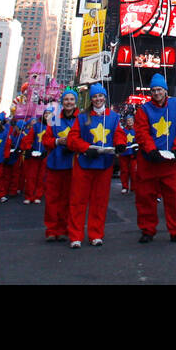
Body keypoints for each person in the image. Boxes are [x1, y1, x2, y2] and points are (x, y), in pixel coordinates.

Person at [66, 83, 126, 247]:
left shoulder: (113, 117)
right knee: (78, 200)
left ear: (105, 97)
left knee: (100, 201)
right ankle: (75, 236)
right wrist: (85, 148)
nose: (98, 99)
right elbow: (72, 139)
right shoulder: (82, 117)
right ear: (91, 99)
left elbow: (119, 134)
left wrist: (121, 144)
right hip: (84, 163)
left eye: (100, 96)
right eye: (95, 97)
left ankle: (96, 234)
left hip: (104, 165)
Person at [134, 73, 176, 244]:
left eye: (160, 89)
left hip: (170, 162)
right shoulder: (143, 110)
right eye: (154, 90)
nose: (157, 93)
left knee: (175, 198)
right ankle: (147, 230)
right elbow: (142, 133)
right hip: (149, 161)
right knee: (146, 198)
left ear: (165, 91)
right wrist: (151, 151)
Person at [40, 89, 79, 241]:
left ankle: (65, 228)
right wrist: (57, 141)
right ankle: (51, 229)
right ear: (62, 102)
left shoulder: (81, 119)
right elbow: (46, 140)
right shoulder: (53, 119)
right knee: (52, 199)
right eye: (66, 99)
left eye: (71, 99)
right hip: (55, 164)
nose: (69, 102)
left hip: (74, 165)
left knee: (69, 198)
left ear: (75, 102)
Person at [20, 110, 49, 204]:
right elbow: (29, 138)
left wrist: (47, 151)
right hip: (35, 154)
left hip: (45, 155)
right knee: (31, 176)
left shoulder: (53, 127)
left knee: (42, 177)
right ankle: (29, 196)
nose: (47, 115)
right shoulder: (37, 126)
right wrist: (29, 149)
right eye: (46, 113)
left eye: (49, 114)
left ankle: (38, 195)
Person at [117, 111, 138, 195]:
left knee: (134, 170)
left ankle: (134, 187)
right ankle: (125, 186)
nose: (129, 122)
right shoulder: (123, 131)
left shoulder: (137, 130)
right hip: (124, 153)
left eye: (131, 120)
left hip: (133, 153)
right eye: (128, 120)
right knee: (124, 170)